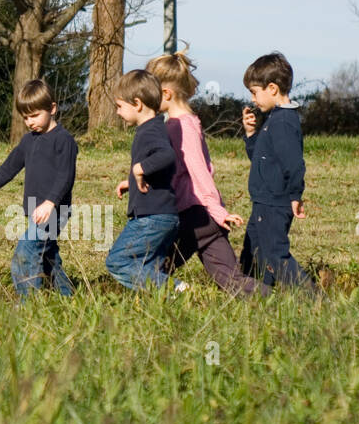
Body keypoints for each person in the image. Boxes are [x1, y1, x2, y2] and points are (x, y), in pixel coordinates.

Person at [147, 50, 268, 297]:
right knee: (231, 278)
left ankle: (168, 296)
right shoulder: (189, 121)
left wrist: (216, 210)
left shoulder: (179, 127)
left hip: (192, 216)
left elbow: (200, 173)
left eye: (149, 96)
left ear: (166, 94)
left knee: (151, 268)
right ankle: (275, 301)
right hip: (206, 219)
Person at [0, 79, 78, 298]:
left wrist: (50, 202)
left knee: (25, 255)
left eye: (34, 115)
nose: (29, 122)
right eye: (25, 117)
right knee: (47, 257)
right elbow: (9, 168)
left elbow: (66, 176)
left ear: (52, 108)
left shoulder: (64, 141)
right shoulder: (28, 141)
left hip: (55, 211)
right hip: (36, 211)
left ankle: (29, 306)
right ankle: (68, 296)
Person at [239, 52, 316, 290]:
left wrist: (295, 195)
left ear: (272, 88)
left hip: (275, 202)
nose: (253, 99)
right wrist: (251, 133)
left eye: (254, 92)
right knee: (253, 251)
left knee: (274, 253)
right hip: (263, 201)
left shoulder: (283, 122)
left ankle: (312, 299)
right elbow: (260, 159)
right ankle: (256, 295)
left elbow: (294, 163)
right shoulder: (274, 119)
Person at [105, 70, 181, 290]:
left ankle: (174, 289)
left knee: (118, 261)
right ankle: (161, 304)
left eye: (120, 106)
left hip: (151, 217)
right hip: (163, 215)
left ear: (137, 103)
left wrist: (139, 168)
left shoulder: (150, 131)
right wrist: (131, 181)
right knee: (147, 267)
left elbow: (166, 156)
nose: (118, 112)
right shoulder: (153, 128)